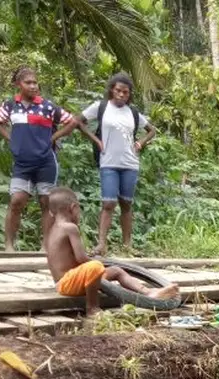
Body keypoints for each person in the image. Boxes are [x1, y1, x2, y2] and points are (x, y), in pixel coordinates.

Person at [42, 188, 177, 315]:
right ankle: (92, 308)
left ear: (51, 212)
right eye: (79, 209)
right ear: (73, 208)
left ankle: (148, 293)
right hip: (67, 284)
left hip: (70, 280)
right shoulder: (70, 228)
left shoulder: (52, 229)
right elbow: (81, 259)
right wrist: (99, 264)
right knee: (94, 266)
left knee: (116, 270)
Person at [0, 66, 77, 252]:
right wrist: (9, 137)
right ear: (18, 85)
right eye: (28, 82)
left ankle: (45, 246)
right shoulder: (10, 106)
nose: (32, 86)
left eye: (34, 82)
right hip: (22, 162)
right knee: (16, 201)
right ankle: (9, 246)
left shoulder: (47, 107)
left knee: (46, 202)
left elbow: (72, 121)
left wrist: (53, 138)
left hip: (45, 161)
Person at [78, 72, 157, 256]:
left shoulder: (133, 112)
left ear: (129, 94)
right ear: (112, 90)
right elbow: (78, 122)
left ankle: (127, 245)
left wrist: (141, 143)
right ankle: (101, 244)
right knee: (108, 203)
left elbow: (151, 130)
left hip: (130, 163)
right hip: (108, 162)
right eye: (118, 91)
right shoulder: (101, 107)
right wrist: (96, 141)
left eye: (126, 92)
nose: (121, 95)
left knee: (126, 203)